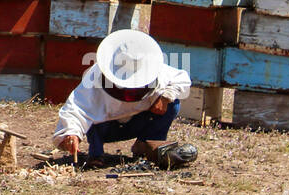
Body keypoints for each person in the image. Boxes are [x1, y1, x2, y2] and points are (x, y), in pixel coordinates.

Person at [52, 29, 197, 169]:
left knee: (173, 104)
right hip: (107, 128)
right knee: (92, 116)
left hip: (139, 122)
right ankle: (96, 154)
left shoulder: (155, 69)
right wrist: (71, 133)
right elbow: (77, 106)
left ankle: (147, 144)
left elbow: (181, 78)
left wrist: (165, 97)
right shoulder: (96, 74)